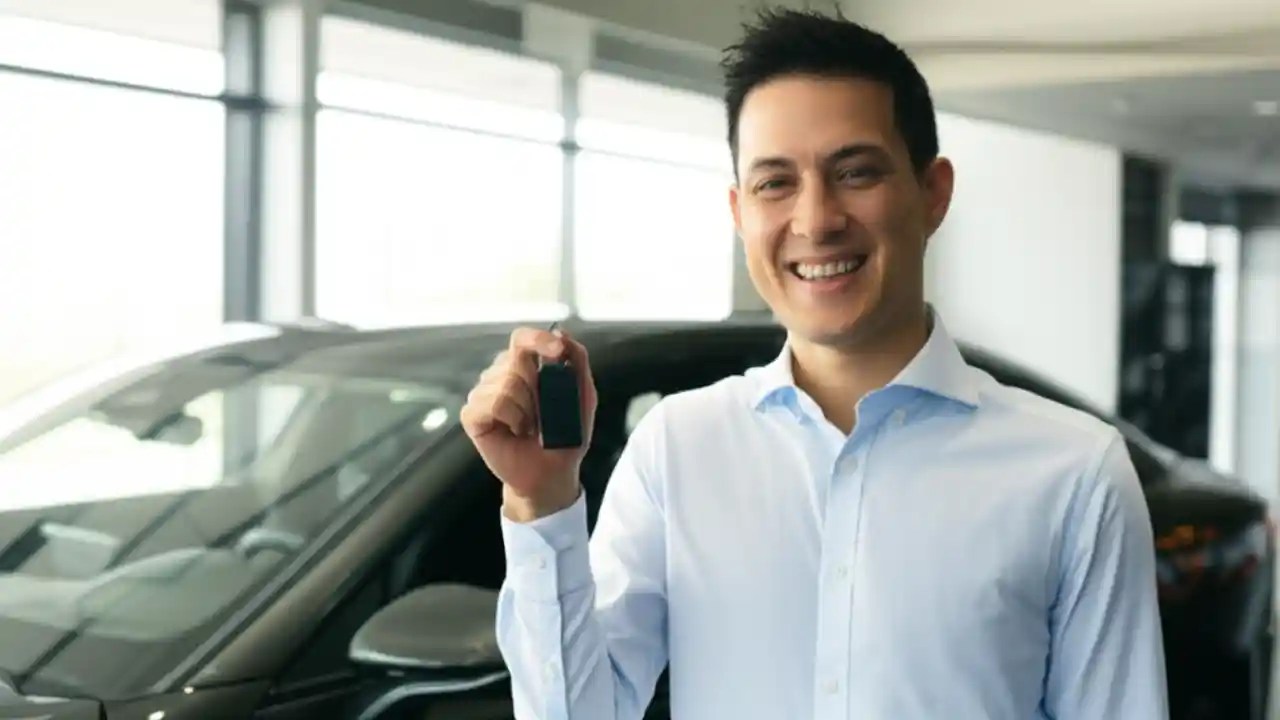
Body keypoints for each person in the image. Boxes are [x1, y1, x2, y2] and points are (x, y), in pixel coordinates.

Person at [460, 7, 1169, 720]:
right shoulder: (677, 449)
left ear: (933, 193)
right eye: (775, 183)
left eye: (855, 172)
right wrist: (540, 502)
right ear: (739, 213)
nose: (816, 219)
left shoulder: (1075, 474)